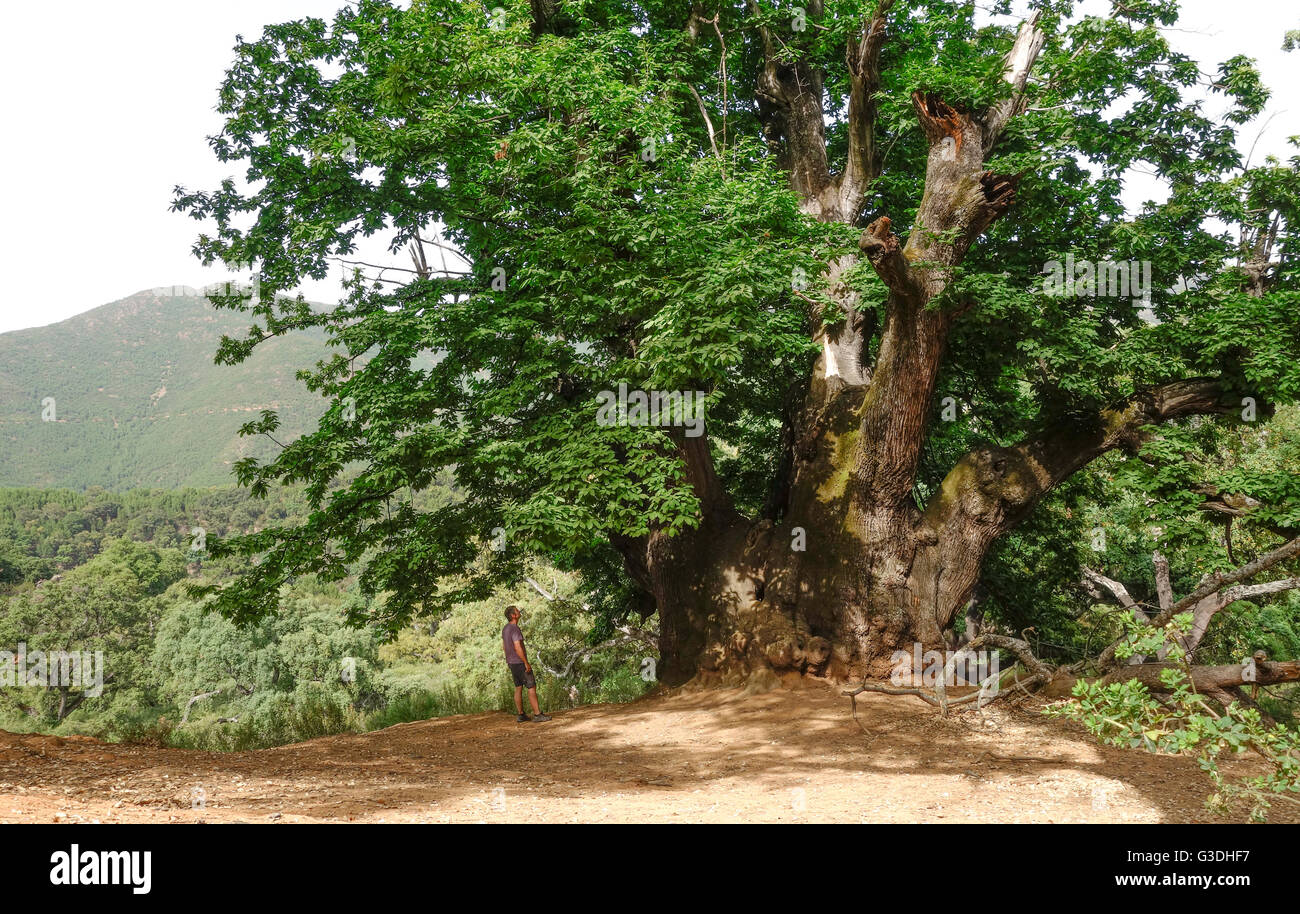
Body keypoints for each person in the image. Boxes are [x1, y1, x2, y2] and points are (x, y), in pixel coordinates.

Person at [502, 605, 550, 723]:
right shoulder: (514, 629)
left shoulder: (505, 628)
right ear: (513, 615)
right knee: (531, 686)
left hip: (511, 663)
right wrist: (526, 663)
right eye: (517, 611)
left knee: (518, 687)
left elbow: (504, 646)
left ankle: (521, 715)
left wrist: (508, 659)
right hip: (519, 662)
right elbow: (517, 646)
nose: (519, 612)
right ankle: (538, 714)